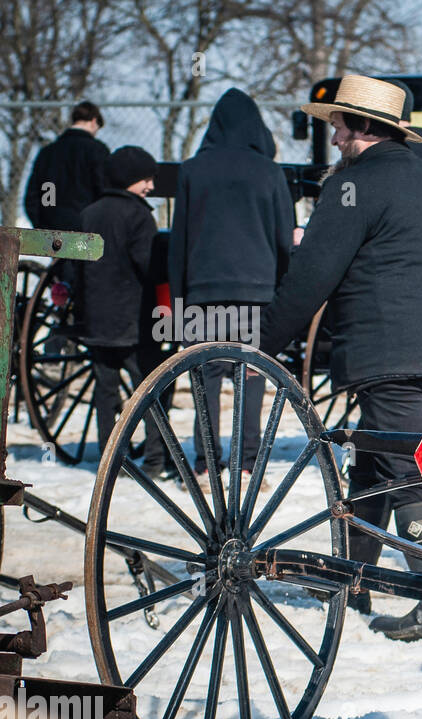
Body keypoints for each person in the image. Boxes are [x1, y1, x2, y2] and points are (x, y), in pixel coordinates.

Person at [259, 75, 422, 641]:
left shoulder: (352, 187)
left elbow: (310, 278)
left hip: (387, 350)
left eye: (340, 125)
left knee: (405, 467)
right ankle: (352, 577)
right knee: (374, 456)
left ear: (365, 126)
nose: (334, 137)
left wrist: (260, 343)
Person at [169, 88, 295, 481]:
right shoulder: (270, 172)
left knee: (205, 380)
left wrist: (178, 302)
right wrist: (283, 290)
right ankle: (247, 462)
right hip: (257, 293)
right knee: (250, 378)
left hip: (204, 292)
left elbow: (179, 242)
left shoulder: (192, 170)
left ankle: (206, 463)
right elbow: (284, 238)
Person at [77, 146, 168, 473]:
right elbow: (150, 266)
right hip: (135, 321)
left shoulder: (89, 213)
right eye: (146, 179)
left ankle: (110, 459)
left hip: (98, 321)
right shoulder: (139, 216)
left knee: (106, 392)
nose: (151, 186)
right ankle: (155, 459)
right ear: (130, 179)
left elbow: (76, 268)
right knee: (150, 390)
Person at [24, 101, 110, 232]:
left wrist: (41, 224)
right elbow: (104, 190)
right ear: (94, 121)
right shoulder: (97, 151)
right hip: (86, 229)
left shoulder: (47, 152)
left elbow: (33, 196)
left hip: (50, 229)